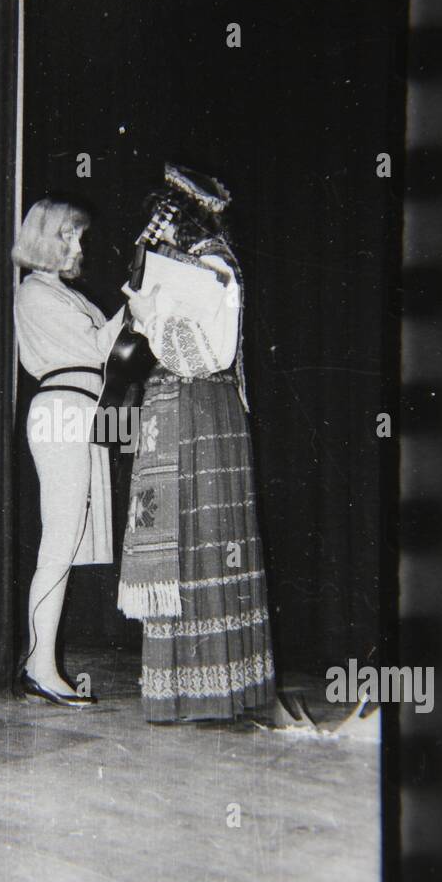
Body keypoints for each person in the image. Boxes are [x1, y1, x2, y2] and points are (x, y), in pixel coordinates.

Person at [118, 165, 279, 724]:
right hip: (180, 409)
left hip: (199, 408)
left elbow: (203, 354)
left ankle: (210, 689)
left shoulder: (212, 267)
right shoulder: (199, 265)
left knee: (200, 537)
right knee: (178, 536)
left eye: (159, 223)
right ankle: (188, 689)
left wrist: (149, 315)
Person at [13, 199, 125, 706]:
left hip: (82, 412)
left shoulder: (65, 294)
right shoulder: (35, 293)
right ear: (47, 238)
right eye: (70, 237)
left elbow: (110, 348)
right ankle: (40, 666)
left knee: (67, 538)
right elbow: (102, 349)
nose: (79, 246)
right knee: (60, 538)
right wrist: (138, 302)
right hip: (62, 410)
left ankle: (41, 664)